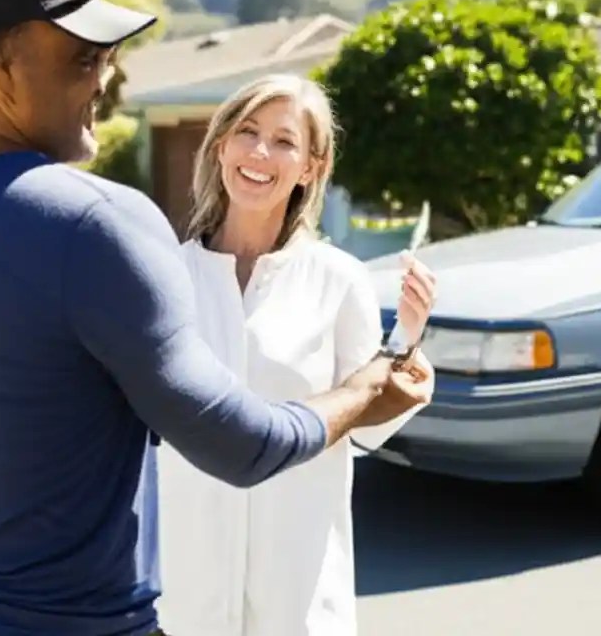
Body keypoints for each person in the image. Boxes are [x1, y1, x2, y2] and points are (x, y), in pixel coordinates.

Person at [0, 0, 433, 636]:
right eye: (84, 58)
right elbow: (242, 446)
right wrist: (368, 387)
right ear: (0, 67)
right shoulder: (94, 222)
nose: (108, 78)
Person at [154, 74, 437, 636]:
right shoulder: (166, 276)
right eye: (247, 132)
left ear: (311, 166)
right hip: (185, 600)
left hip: (299, 601)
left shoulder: (339, 281)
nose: (260, 152)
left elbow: (365, 430)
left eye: (284, 141)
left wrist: (405, 340)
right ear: (220, 147)